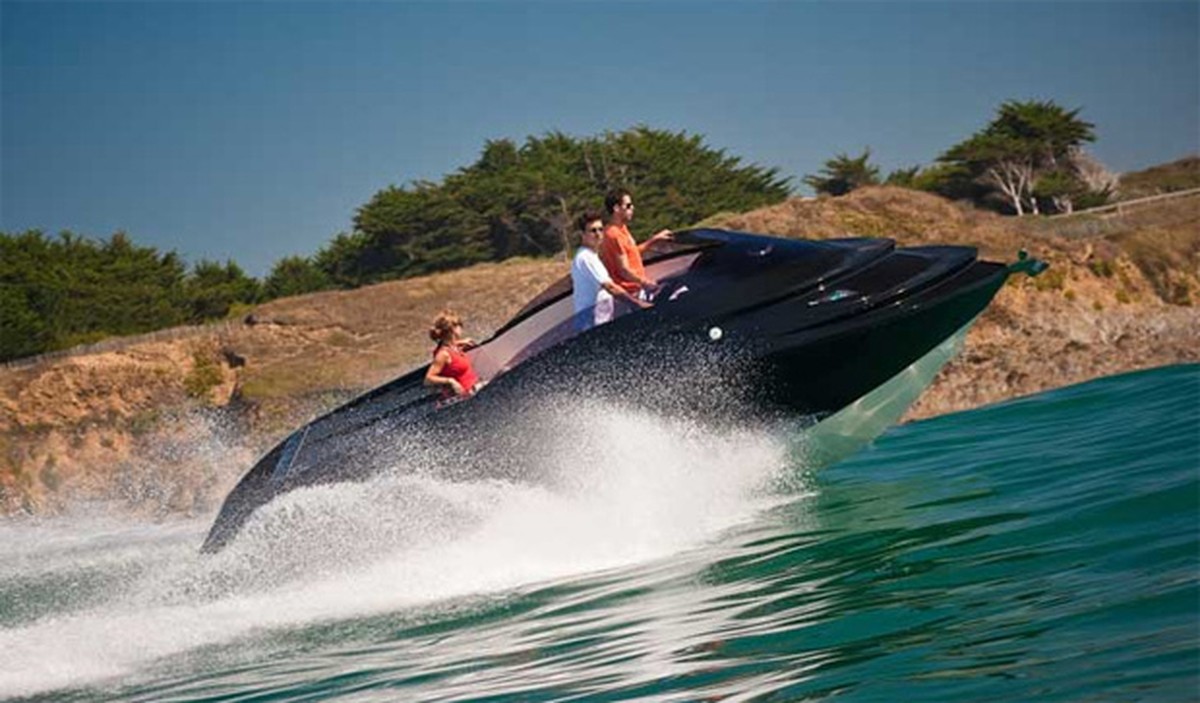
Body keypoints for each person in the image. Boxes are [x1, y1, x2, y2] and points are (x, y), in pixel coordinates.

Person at [571, 211, 651, 331]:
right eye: (593, 231)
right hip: (591, 324)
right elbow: (610, 287)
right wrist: (638, 304)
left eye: (600, 229)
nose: (598, 234)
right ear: (583, 234)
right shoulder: (586, 258)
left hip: (600, 321)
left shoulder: (591, 256)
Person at [599, 188, 674, 301]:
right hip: (633, 293)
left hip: (638, 289)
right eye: (628, 205)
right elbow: (623, 270)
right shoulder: (614, 235)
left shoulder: (621, 229)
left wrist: (654, 240)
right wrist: (646, 283)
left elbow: (631, 252)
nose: (632, 208)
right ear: (616, 208)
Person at [425, 310, 480, 398]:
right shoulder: (443, 354)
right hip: (467, 395)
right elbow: (428, 379)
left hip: (475, 387)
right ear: (453, 329)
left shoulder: (453, 346)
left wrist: (460, 342)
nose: (462, 329)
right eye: (460, 326)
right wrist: (450, 381)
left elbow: (449, 344)